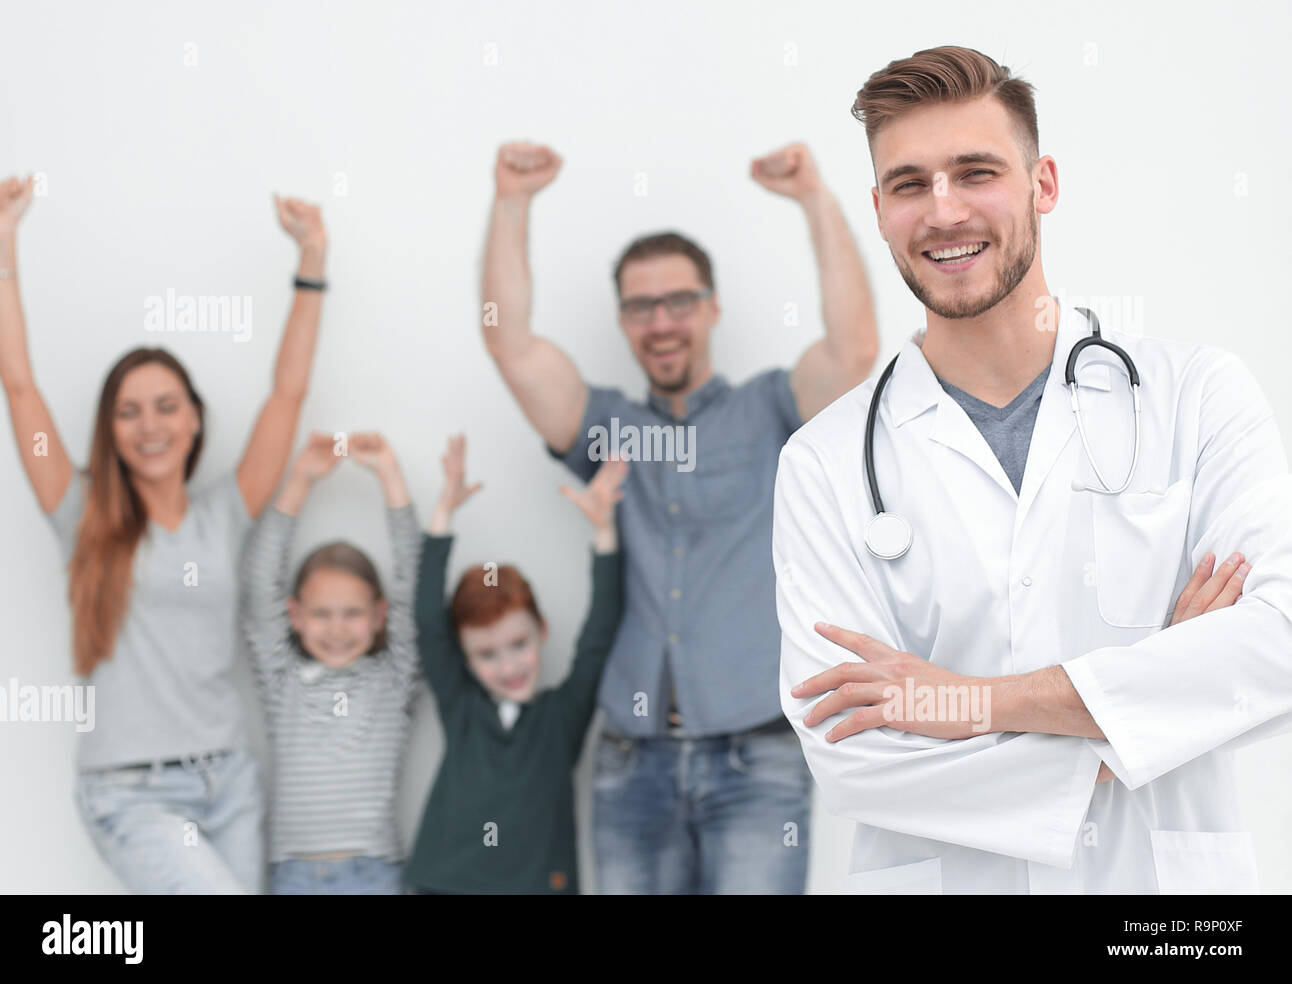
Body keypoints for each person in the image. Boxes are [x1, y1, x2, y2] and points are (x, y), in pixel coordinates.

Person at [774, 45, 1292, 893]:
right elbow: (853, 756)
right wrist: (1157, 701)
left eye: (975, 171)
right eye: (909, 184)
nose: (943, 211)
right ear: (878, 209)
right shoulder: (824, 464)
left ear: (1043, 184)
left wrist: (969, 702)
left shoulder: (1196, 395)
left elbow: (1276, 646)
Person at [479, 140, 879, 893]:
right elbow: (513, 347)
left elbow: (855, 348)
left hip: (756, 761)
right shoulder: (606, 428)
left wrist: (815, 199)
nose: (661, 322)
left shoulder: (772, 411)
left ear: (711, 307)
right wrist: (512, 201)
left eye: (679, 301)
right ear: (624, 321)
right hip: (631, 767)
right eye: (640, 306)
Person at [0, 175, 328, 893]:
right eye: (129, 412)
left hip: (231, 782)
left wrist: (312, 261)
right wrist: (1, 240)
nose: (150, 426)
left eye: (166, 406)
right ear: (109, 432)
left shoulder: (225, 511)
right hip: (131, 793)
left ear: (195, 418)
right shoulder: (78, 513)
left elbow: (287, 393)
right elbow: (19, 386)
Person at [403, 435, 624, 894]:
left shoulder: (562, 716)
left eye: (518, 644)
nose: (508, 666)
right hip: (445, 883)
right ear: (464, 658)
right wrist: (442, 515)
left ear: (542, 630)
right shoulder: (461, 706)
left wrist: (604, 534)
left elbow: (598, 637)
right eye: (486, 654)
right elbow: (426, 619)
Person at [240, 431, 423, 894]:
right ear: (295, 616)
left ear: (379, 614)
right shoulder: (284, 680)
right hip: (295, 876)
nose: (337, 629)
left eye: (352, 613)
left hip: (376, 872)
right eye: (321, 614)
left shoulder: (394, 677)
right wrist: (299, 481)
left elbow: (415, 584)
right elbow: (259, 582)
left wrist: (390, 476)